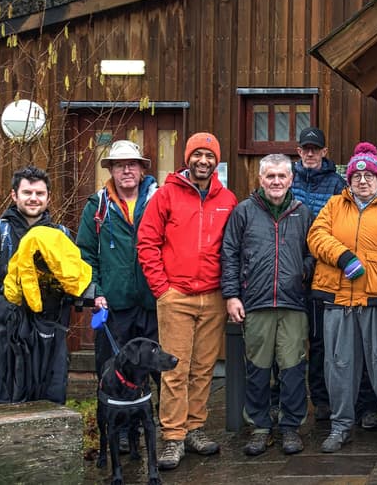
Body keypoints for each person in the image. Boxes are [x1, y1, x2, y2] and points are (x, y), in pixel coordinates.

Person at [307, 142, 377, 456]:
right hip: (338, 300)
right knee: (338, 366)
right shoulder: (333, 206)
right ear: (349, 180)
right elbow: (316, 236)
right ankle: (341, 426)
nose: (362, 181)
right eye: (356, 176)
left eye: (369, 175)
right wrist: (343, 257)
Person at [138, 132, 237, 470]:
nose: (203, 161)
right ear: (188, 158)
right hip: (175, 295)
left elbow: (232, 249)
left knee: (203, 369)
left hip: (212, 296)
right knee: (174, 370)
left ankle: (195, 428)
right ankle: (172, 437)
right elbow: (147, 242)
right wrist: (162, 289)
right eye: (197, 155)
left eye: (209, 156)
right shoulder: (166, 195)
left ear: (216, 162)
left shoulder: (228, 200)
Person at [221, 154, 315, 457]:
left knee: (292, 370)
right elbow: (229, 254)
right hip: (256, 303)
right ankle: (260, 427)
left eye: (282, 176)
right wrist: (231, 295)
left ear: (291, 180)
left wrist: (304, 270)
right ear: (260, 179)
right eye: (270, 176)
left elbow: (314, 252)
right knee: (258, 371)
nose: (276, 181)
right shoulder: (244, 212)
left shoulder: (303, 213)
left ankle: (290, 427)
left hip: (292, 304)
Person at [76, 141, 159, 448]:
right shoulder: (96, 206)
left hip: (153, 302)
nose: (127, 169)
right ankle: (121, 435)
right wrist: (94, 292)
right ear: (110, 169)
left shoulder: (158, 199)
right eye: (120, 164)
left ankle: (159, 429)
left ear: (142, 169)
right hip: (114, 306)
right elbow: (85, 254)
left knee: (158, 370)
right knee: (113, 370)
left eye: (133, 164)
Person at [0, 166, 75, 404]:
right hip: (8, 334)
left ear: (49, 197)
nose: (34, 198)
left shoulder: (62, 235)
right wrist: (7, 312)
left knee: (51, 399)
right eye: (27, 192)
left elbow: (74, 277)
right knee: (9, 399)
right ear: (14, 195)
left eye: (40, 193)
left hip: (51, 331)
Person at [291, 126, 347, 424]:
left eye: (316, 148)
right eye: (305, 148)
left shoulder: (337, 184)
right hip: (290, 272)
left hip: (323, 273)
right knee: (291, 342)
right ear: (298, 151)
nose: (310, 153)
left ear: (325, 152)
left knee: (321, 342)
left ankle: (323, 401)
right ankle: (286, 404)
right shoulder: (286, 179)